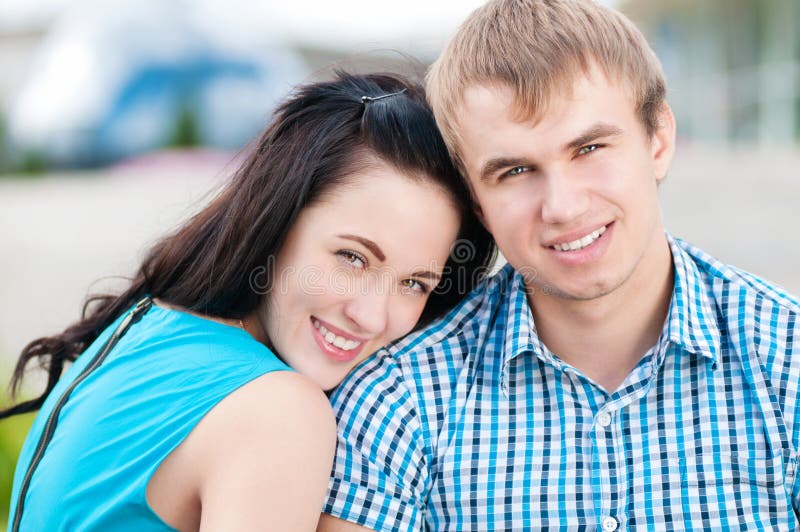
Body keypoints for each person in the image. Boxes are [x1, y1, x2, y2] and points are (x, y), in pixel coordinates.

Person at [317, 1, 800, 530]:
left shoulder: (788, 360)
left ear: (658, 139)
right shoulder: (398, 400)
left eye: (589, 147)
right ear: (477, 202)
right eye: (516, 170)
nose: (563, 207)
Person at [2, 72, 495, 531]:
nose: (370, 315)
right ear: (277, 220)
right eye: (352, 257)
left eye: (414, 283)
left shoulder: (149, 322)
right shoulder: (277, 410)